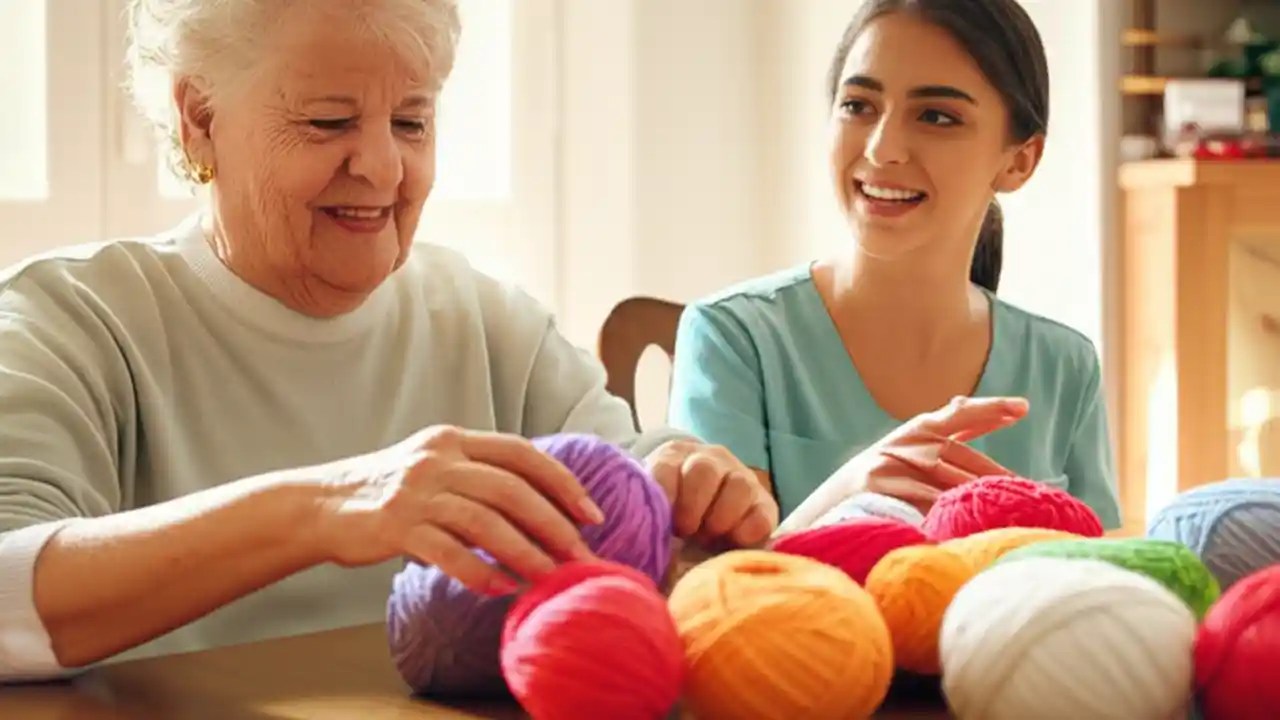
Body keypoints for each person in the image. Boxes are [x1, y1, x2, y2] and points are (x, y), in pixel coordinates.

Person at [0, 0, 785, 681]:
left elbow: (628, 491)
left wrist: (683, 492)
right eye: (328, 122)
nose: (382, 167)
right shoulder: (71, 321)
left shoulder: (489, 326)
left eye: (411, 121)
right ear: (199, 119)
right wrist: (324, 507)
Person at [668, 0, 1122, 531]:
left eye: (936, 116)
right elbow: (718, 590)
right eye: (858, 106)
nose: (882, 150)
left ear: (1019, 160)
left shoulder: (1065, 366)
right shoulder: (733, 338)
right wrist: (850, 488)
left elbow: (1101, 581)